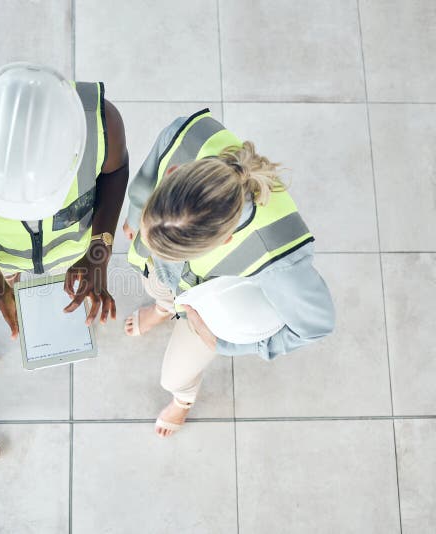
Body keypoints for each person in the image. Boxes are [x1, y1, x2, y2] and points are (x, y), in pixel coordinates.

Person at [123, 109, 335, 437]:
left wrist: (221, 344)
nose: (148, 247)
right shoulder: (185, 135)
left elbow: (315, 326)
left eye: (169, 251)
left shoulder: (280, 262)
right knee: (154, 282)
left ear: (225, 239)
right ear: (175, 173)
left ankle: (183, 400)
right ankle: (164, 308)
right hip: (177, 284)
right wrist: (137, 215)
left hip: (205, 313)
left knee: (174, 377)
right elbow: (144, 184)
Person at [0, 63, 129, 337]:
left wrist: (99, 251)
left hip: (71, 249)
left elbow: (116, 170)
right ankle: (11, 275)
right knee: (8, 275)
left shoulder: (103, 121)